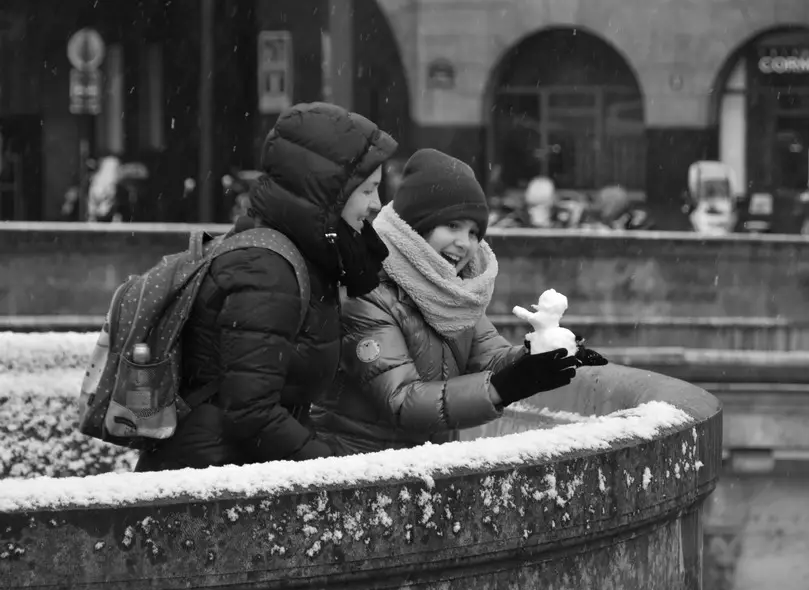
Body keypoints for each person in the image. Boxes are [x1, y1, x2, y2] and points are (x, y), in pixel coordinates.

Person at [134, 102, 398, 472]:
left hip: (232, 474)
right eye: (369, 190)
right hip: (207, 486)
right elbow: (250, 413)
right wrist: (335, 469)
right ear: (329, 191)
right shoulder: (266, 268)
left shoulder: (303, 256)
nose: (376, 204)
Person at [311, 149, 606, 456]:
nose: (465, 243)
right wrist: (501, 388)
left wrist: (541, 351)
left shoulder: (453, 292)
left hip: (424, 465)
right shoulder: (367, 290)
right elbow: (401, 400)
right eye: (452, 226)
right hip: (360, 468)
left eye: (474, 232)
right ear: (415, 227)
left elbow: (490, 357)